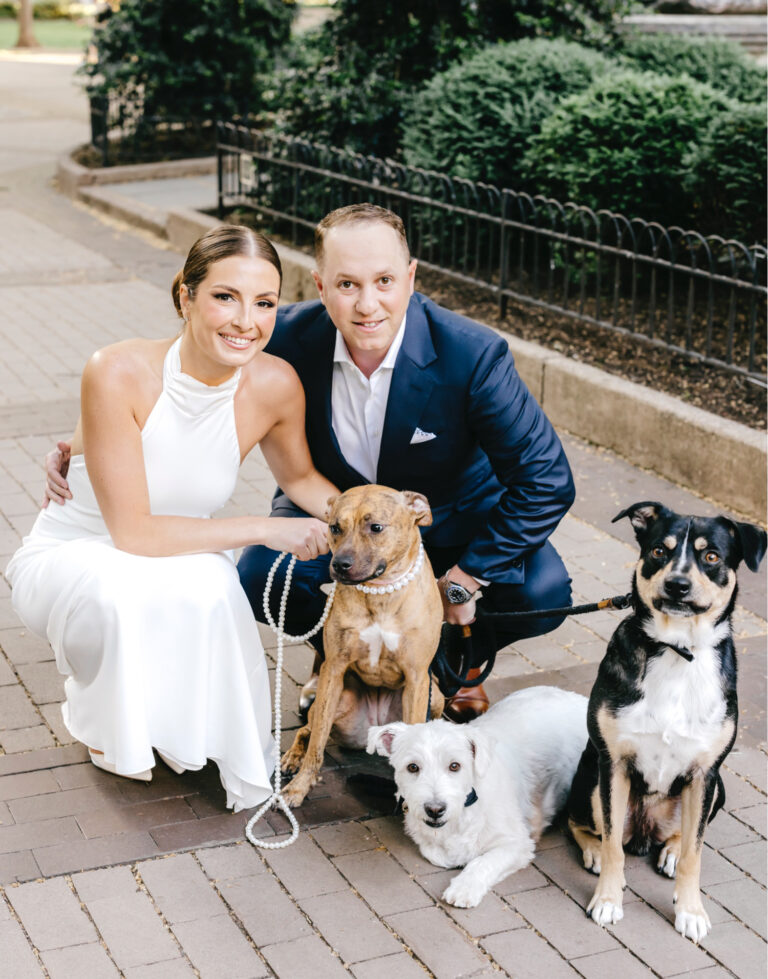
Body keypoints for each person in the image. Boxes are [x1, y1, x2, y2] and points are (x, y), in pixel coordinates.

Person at [46, 204, 576, 724]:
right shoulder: (284, 332)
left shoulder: (473, 354)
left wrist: (464, 579)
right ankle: (340, 655)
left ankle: (452, 662)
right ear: (321, 287)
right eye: (347, 285)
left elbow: (547, 480)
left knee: (543, 591)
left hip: (450, 526)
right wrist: (82, 444)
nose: (368, 304)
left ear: (411, 278)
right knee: (260, 576)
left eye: (385, 281)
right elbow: (178, 363)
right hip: (328, 512)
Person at [9, 225, 335, 810]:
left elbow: (302, 481)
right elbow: (132, 533)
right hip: (80, 552)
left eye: (264, 303)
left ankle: (193, 729)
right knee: (127, 588)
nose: (246, 320)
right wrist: (265, 528)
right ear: (185, 297)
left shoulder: (275, 384)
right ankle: (108, 716)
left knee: (214, 585)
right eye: (224, 297)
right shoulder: (117, 370)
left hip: (174, 549)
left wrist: (378, 523)